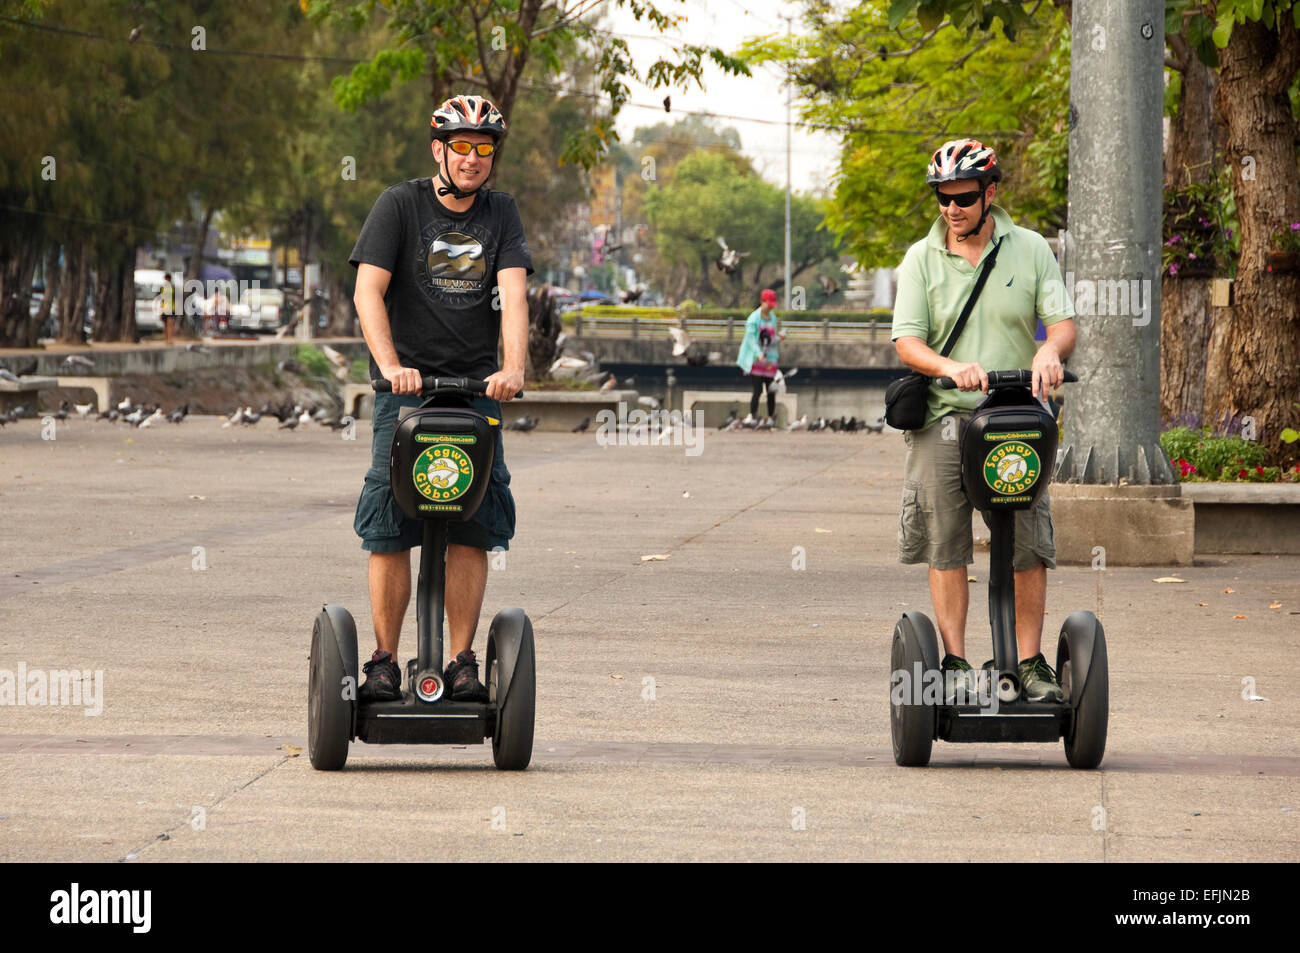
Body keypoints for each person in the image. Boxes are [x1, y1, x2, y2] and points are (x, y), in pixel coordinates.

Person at [349, 94, 532, 702]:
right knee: (389, 522)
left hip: (477, 396)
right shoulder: (399, 205)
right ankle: (381, 660)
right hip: (405, 396)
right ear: (440, 150)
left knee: (474, 526)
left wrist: (511, 368)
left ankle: (460, 661)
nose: (474, 158)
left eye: (485, 148)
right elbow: (367, 292)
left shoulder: (501, 214)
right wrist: (391, 365)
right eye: (463, 147)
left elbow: (513, 296)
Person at [891, 138, 1076, 703]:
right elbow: (907, 342)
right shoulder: (921, 259)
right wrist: (951, 368)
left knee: (1025, 540)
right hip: (946, 418)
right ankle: (951, 661)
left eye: (964, 198)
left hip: (1016, 414)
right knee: (946, 541)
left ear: (990, 194)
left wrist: (1050, 353)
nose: (952, 209)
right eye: (943, 199)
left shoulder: (1031, 250)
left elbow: (1062, 322)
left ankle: (1028, 663)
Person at [735, 288, 785, 426]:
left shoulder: (773, 318)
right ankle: (754, 416)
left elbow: (772, 337)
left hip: (769, 359)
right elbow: (751, 339)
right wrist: (758, 354)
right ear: (762, 302)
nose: (770, 307)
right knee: (757, 389)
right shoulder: (754, 318)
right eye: (768, 304)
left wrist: (779, 338)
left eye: (772, 305)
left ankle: (770, 417)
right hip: (756, 359)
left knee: (771, 389)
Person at [157, 273, 177, 346]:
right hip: (170, 308)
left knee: (167, 325)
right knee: (169, 325)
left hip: (167, 308)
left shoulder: (164, 288)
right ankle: (169, 340)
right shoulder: (172, 287)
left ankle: (168, 340)